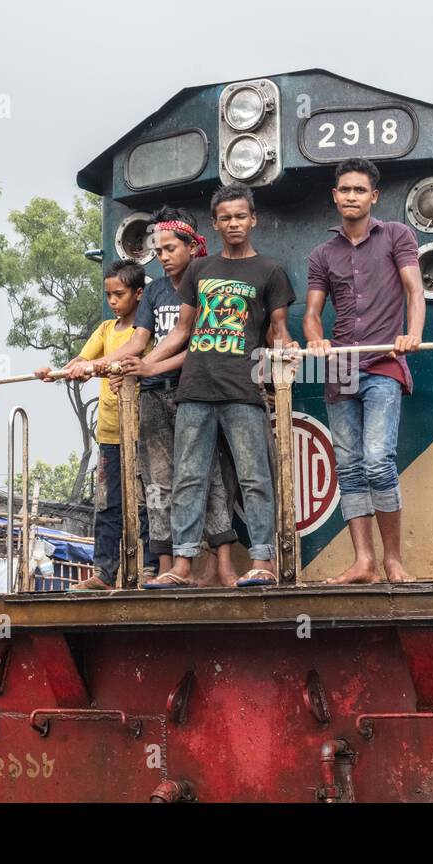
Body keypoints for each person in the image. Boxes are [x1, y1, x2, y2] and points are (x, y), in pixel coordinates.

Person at [137, 185, 296, 588]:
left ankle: (263, 562)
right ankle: (182, 567)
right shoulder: (199, 270)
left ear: (253, 219)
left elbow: (278, 331)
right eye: (226, 217)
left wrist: (287, 353)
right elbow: (181, 332)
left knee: (254, 478)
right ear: (215, 223)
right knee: (189, 477)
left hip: (243, 390)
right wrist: (143, 364)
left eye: (241, 216)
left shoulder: (270, 271)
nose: (234, 223)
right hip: (194, 390)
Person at [103, 207, 241, 587]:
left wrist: (146, 366)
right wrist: (98, 364)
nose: (162, 256)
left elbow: (198, 344)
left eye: (168, 248)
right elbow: (139, 340)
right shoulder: (156, 290)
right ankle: (167, 567)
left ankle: (223, 564)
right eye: (157, 249)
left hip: (194, 392)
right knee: (157, 483)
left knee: (208, 477)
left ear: (192, 246)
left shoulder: (209, 283)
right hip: (152, 395)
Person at [304, 158, 425, 585]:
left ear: (373, 196)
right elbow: (313, 314)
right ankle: (364, 563)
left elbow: (414, 290)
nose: (351, 197)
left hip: (383, 363)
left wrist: (412, 335)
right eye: (344, 190)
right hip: (341, 369)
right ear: (334, 196)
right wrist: (316, 339)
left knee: (378, 461)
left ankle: (393, 560)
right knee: (350, 465)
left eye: (359, 190)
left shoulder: (397, 235)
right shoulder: (323, 253)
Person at [35, 260, 152, 590]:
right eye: (109, 295)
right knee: (106, 504)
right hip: (110, 434)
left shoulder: (146, 332)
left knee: (148, 503)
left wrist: (99, 368)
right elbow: (82, 362)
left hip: (144, 432)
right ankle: (103, 573)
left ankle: (152, 569)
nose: (113, 301)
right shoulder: (104, 330)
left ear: (139, 294)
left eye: (120, 294)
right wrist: (56, 372)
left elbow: (136, 364)